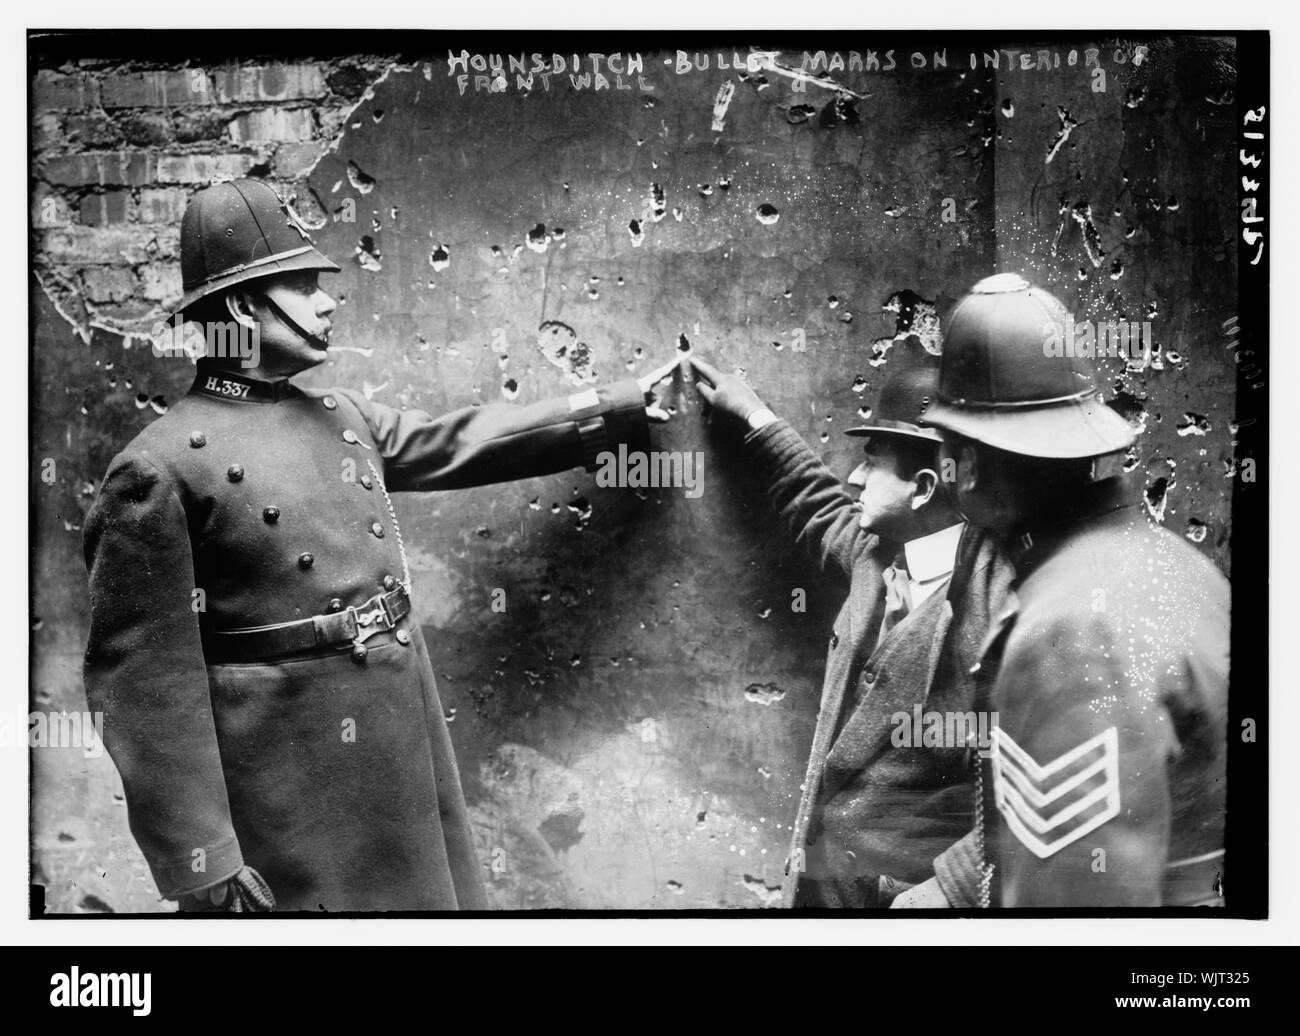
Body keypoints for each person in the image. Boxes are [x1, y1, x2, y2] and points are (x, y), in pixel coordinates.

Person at [83, 178, 676, 912]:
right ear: (241, 307)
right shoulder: (159, 467)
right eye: (303, 286)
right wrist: (203, 862)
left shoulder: (340, 415)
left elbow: (455, 441)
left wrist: (610, 409)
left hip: (397, 742)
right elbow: (144, 691)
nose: (330, 301)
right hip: (288, 784)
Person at [919, 273, 1229, 907]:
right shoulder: (1174, 565)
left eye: (947, 447)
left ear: (971, 463)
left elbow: (1080, 907)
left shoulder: (1069, 631)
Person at [690, 351, 1013, 908]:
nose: (854, 476)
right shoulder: (877, 555)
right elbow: (814, 500)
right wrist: (752, 415)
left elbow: (1037, 788)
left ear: (924, 488)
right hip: (824, 888)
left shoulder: (998, 603)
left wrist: (948, 892)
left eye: (872, 461)